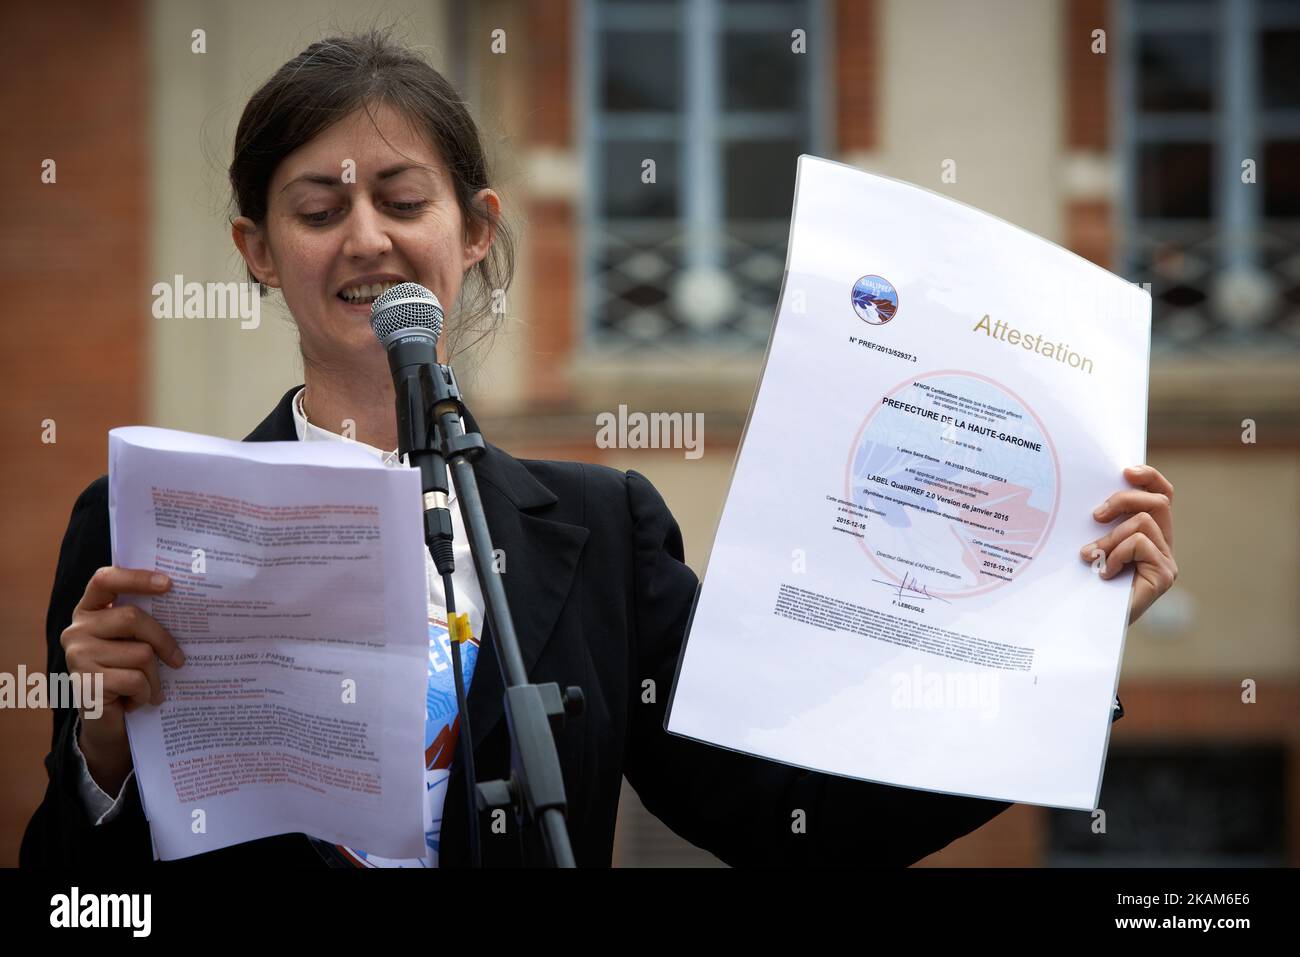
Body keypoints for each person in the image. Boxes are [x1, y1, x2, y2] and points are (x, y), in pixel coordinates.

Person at [21, 30, 1178, 868]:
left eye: (400, 200)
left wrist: (1060, 644)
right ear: (258, 250)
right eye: (317, 210)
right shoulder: (144, 526)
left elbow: (793, 822)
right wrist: (103, 760)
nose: (365, 237)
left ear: (472, 232)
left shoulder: (601, 532)